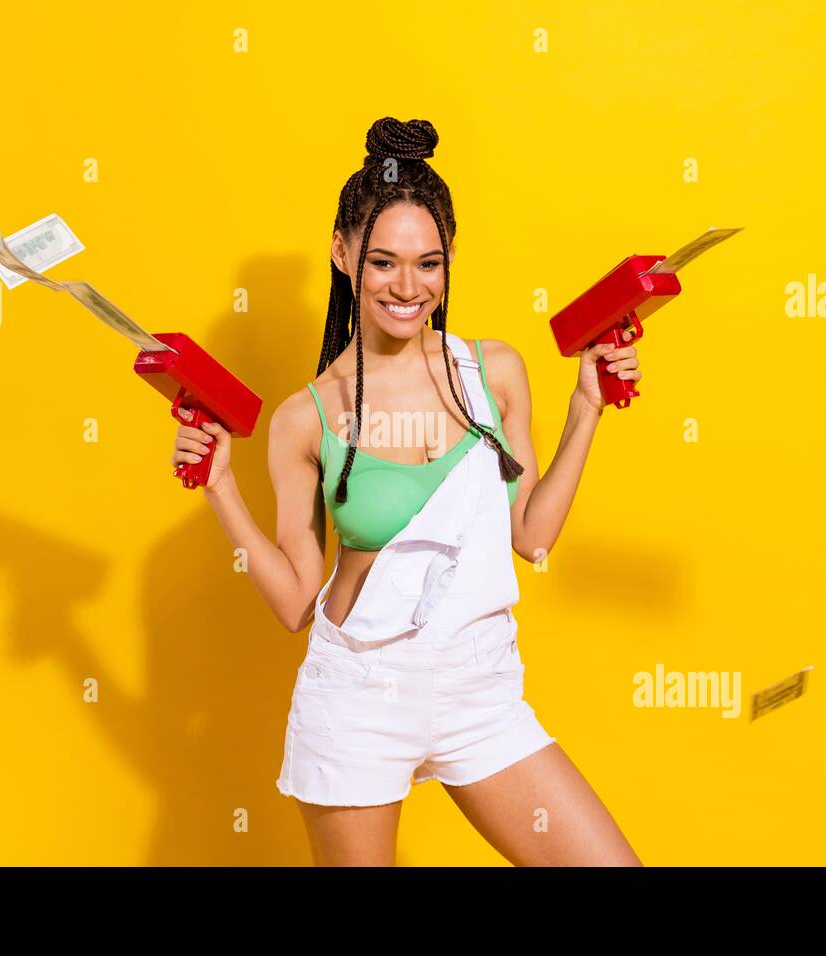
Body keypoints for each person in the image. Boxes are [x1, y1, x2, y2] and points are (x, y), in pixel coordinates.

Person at [174, 117, 643, 866]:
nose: (407, 287)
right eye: (382, 262)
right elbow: (296, 603)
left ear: (450, 256)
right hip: (358, 699)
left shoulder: (494, 373)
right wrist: (220, 485)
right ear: (341, 253)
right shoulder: (306, 418)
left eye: (428, 263)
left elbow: (532, 537)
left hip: (479, 690)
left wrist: (586, 406)